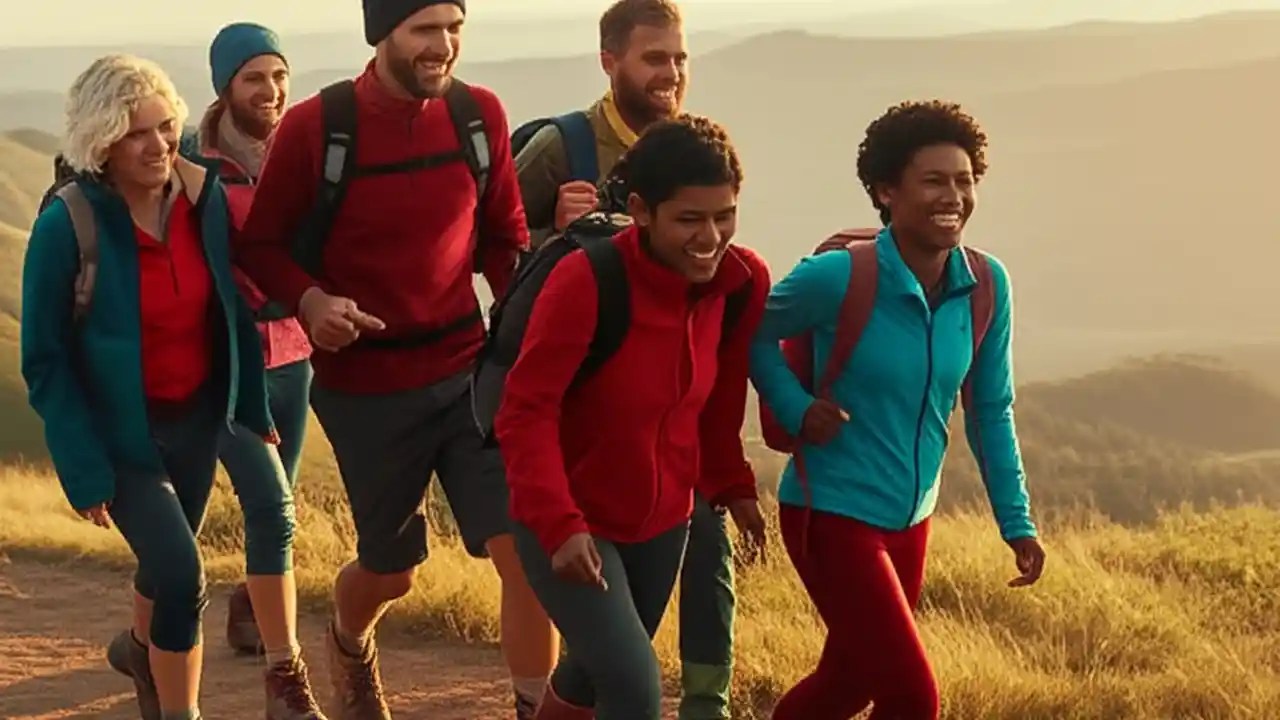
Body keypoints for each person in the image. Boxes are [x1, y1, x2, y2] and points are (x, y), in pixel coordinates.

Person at [235, 1, 554, 717]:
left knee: (524, 552)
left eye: (454, 27)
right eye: (424, 30)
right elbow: (260, 245)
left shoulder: (480, 117)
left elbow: (503, 237)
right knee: (393, 571)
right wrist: (312, 302)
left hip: (471, 373)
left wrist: (528, 320)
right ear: (383, 34)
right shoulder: (320, 128)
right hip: (366, 389)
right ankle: (349, 640)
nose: (443, 45)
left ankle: (538, 707)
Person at [749, 100, 1047, 720]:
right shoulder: (838, 277)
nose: (954, 196)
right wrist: (795, 406)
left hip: (913, 519)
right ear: (886, 190)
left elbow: (991, 409)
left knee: (848, 686)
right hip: (829, 512)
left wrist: (1016, 522)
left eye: (965, 180)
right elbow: (748, 332)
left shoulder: (987, 286)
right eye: (934, 180)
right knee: (913, 697)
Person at [20, 54, 286, 720]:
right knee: (182, 575)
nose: (160, 144)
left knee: (166, 572)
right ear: (102, 140)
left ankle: (142, 651)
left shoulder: (203, 203)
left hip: (196, 422)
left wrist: (249, 409)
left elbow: (232, 310)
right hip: (122, 439)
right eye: (138, 132)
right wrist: (83, 467)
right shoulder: (68, 226)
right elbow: (45, 361)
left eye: (167, 127)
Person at [496, 113, 768, 720]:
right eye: (689, 220)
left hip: (664, 522)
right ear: (642, 211)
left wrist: (732, 483)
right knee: (635, 686)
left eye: (724, 216)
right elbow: (525, 409)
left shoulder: (739, 281)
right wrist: (560, 523)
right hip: (569, 519)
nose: (710, 238)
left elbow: (720, 398)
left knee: (593, 675)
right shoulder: (588, 280)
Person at [180, 22, 317, 667]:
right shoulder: (191, 161)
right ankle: (162, 630)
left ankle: (246, 607)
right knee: (251, 501)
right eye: (255, 78)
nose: (272, 90)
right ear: (225, 86)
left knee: (276, 500)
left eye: (280, 75)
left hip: (294, 352)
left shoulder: (302, 148)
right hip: (226, 362)